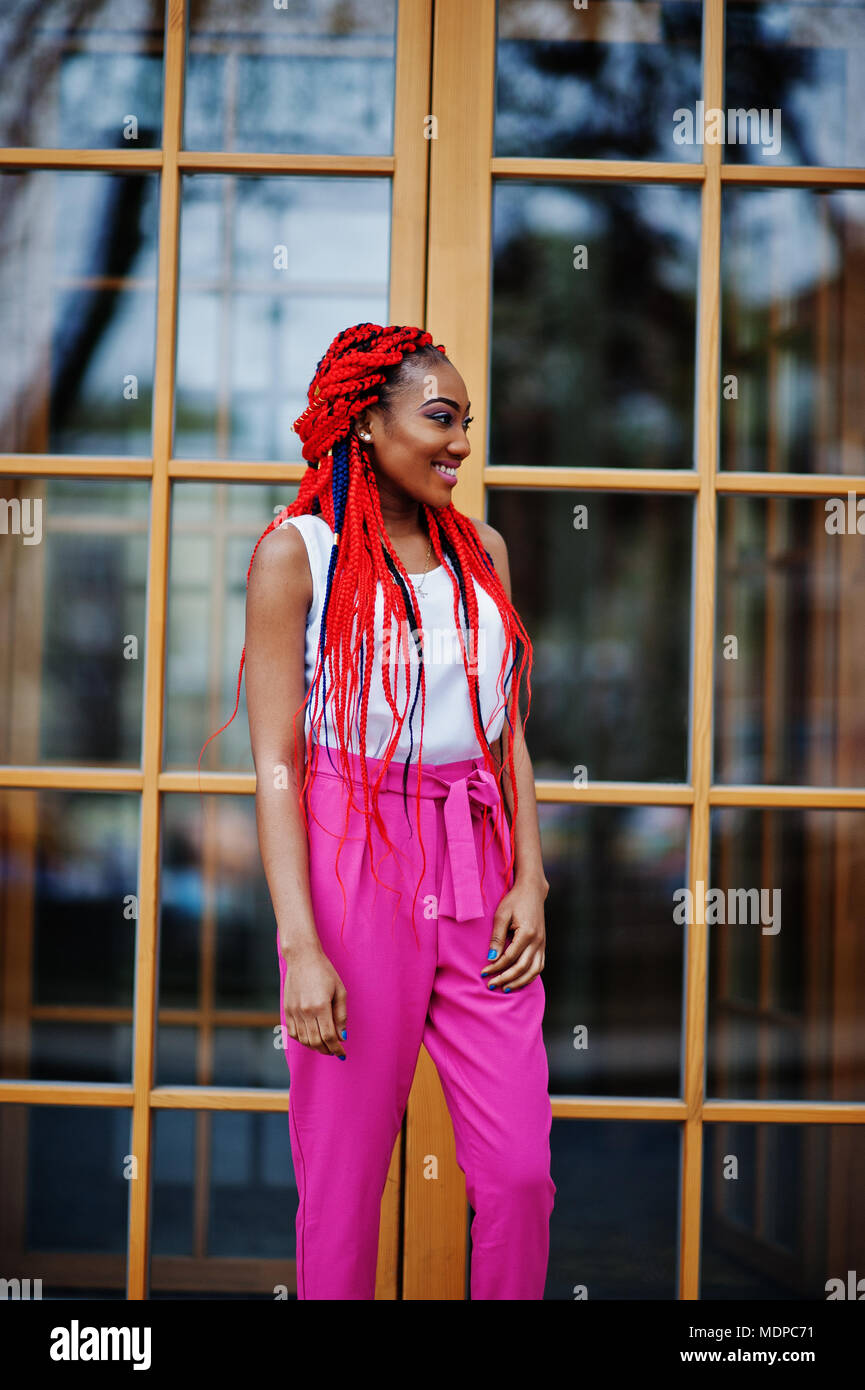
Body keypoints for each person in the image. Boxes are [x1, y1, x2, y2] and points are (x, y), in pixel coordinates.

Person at [201, 322, 556, 1300]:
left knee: (520, 1172)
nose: (460, 443)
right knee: (345, 1187)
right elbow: (274, 761)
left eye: (467, 423)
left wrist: (527, 873)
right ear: (364, 422)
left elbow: (505, 729)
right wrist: (300, 944)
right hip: (354, 853)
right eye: (439, 419)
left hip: (476, 853)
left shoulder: (481, 548)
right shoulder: (296, 554)